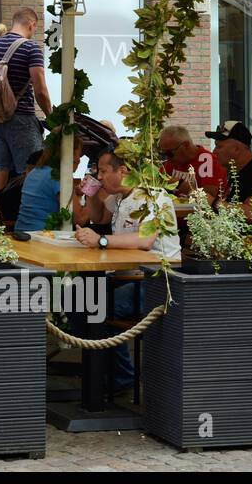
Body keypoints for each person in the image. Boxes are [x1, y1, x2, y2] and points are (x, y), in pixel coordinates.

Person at [75, 148, 181, 391]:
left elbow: (144, 241)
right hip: (124, 275)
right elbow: (98, 217)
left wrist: (102, 241)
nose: (99, 177)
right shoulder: (120, 197)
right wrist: (90, 194)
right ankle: (102, 372)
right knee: (74, 298)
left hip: (154, 281)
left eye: (102, 171)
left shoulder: (154, 197)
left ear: (122, 170)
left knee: (98, 306)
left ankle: (118, 377)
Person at [0, 7, 52, 196]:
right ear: (32, 24)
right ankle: (27, 219)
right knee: (32, 172)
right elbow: (40, 89)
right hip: (21, 118)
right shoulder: (30, 47)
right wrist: (51, 115)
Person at [13, 136, 87, 233]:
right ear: (69, 154)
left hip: (21, 234)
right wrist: (93, 196)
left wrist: (75, 192)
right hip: (43, 238)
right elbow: (79, 219)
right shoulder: (59, 176)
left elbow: (46, 197)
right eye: (78, 155)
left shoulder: (35, 172)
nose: (79, 159)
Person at [157, 124, 227, 204]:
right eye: (163, 154)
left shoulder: (207, 161)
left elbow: (210, 197)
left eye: (170, 153)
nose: (167, 158)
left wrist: (180, 184)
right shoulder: (172, 161)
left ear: (186, 145)